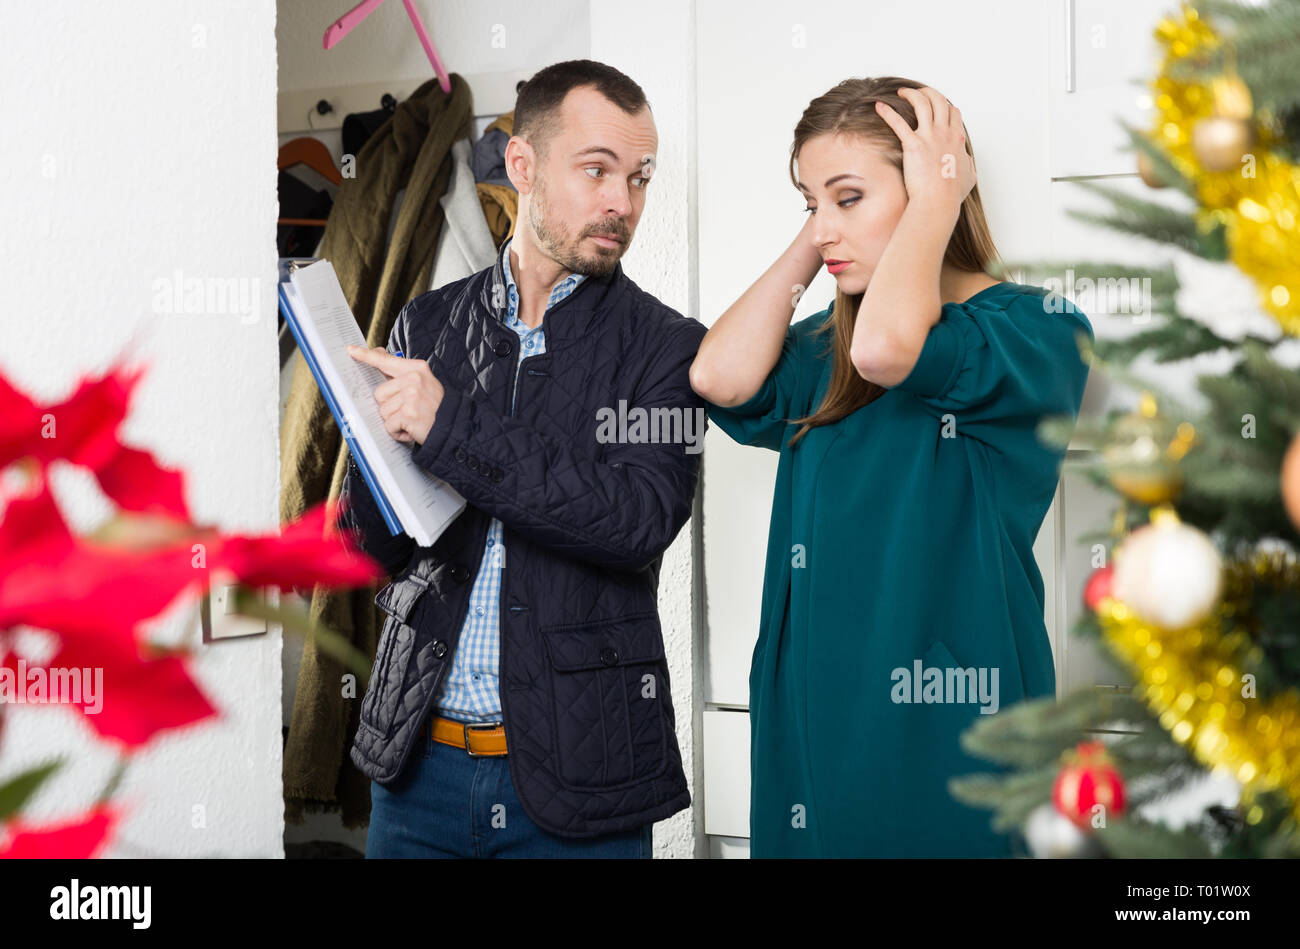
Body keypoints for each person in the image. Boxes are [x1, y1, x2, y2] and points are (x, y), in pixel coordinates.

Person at [690, 77, 1093, 857]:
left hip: (947, 715)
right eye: (810, 201)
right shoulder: (822, 346)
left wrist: (937, 202)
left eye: (849, 198)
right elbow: (718, 378)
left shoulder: (1035, 330)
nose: (825, 227)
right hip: (812, 710)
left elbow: (891, 349)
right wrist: (822, 231)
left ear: (929, 185)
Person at [341, 60, 707, 858]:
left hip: (583, 786)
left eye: (639, 177)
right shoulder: (426, 323)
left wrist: (448, 432)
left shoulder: (668, 350)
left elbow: (634, 521)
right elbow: (362, 551)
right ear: (521, 167)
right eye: (597, 170)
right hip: (414, 777)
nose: (623, 201)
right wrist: (370, 442)